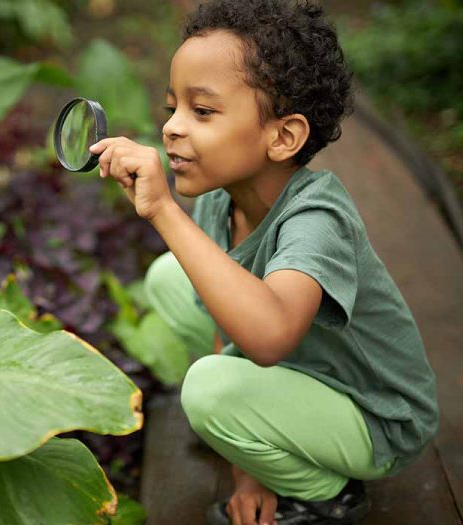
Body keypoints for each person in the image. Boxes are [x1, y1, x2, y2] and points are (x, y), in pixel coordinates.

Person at [88, 1, 439, 524]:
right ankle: (257, 432)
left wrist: (163, 209)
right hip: (305, 371)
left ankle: (325, 492)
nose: (172, 129)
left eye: (202, 112)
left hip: (374, 416)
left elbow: (268, 337)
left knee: (205, 388)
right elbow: (223, 330)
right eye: (172, 109)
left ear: (283, 136)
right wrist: (246, 467)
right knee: (170, 278)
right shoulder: (219, 199)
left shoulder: (318, 217)